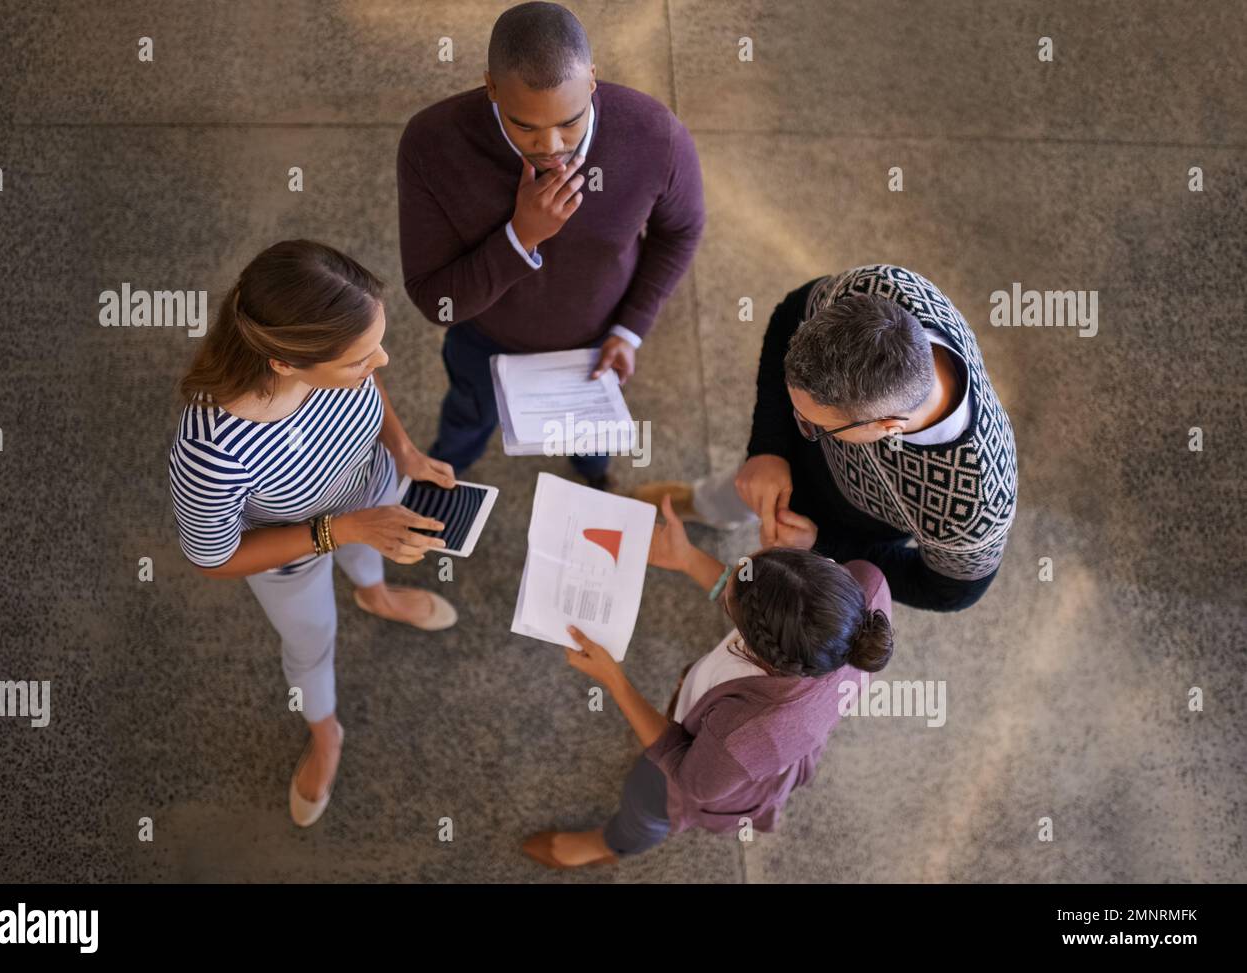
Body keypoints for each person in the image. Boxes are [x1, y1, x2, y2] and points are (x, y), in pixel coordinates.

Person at [168, 240, 456, 827]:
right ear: (285, 364)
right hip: (290, 555)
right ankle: (326, 735)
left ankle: (375, 595)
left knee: (374, 553)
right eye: (358, 359)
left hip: (370, 489)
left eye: (376, 344)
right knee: (311, 643)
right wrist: (343, 529)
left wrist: (402, 450)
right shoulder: (212, 452)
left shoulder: (338, 362)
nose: (382, 363)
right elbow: (212, 560)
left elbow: (369, 388)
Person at [397, 1, 705, 490]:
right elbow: (436, 300)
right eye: (524, 126)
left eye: (571, 121)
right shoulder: (431, 143)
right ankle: (444, 474)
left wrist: (631, 328)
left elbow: (681, 231)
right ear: (491, 87)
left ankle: (593, 471)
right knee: (466, 420)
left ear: (592, 81)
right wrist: (521, 237)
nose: (551, 146)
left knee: (590, 441)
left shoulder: (654, 135)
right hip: (485, 340)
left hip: (598, 339)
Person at [522, 494, 894, 867]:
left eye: (734, 599)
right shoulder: (866, 587)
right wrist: (687, 558)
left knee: (648, 799)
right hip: (746, 743)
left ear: (757, 649)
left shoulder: (751, 732)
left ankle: (612, 845)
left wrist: (614, 680)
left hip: (715, 774)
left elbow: (689, 778)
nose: (730, 577)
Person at [635, 264, 1018, 612]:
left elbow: (944, 591)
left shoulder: (973, 507)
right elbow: (790, 313)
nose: (800, 425)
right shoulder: (874, 290)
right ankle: (701, 505)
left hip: (852, 529)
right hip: (784, 468)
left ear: (887, 427)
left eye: (814, 425)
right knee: (737, 488)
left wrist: (822, 544)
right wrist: (768, 449)